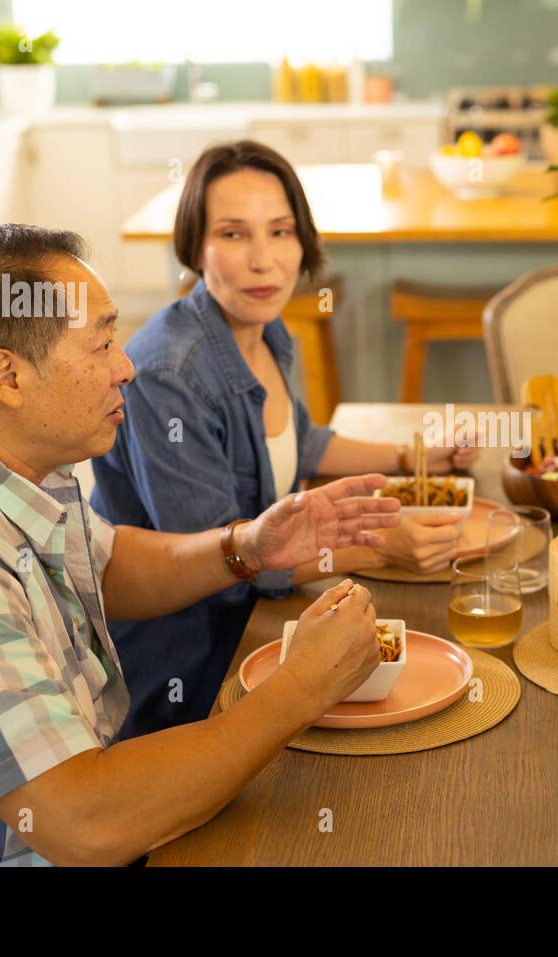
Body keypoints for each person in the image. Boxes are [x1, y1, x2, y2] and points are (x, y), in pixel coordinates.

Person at [0, 223, 401, 865]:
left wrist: (246, 547)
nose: (126, 367)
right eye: (101, 345)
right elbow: (85, 823)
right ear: (8, 378)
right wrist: (301, 688)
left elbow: (104, 563)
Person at [90, 140, 479, 738]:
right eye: (234, 234)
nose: (264, 261)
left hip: (258, 623)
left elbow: (300, 439)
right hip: (188, 669)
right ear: (195, 246)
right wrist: (381, 546)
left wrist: (418, 458)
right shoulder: (169, 374)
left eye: (280, 232)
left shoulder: (262, 332)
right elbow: (227, 557)